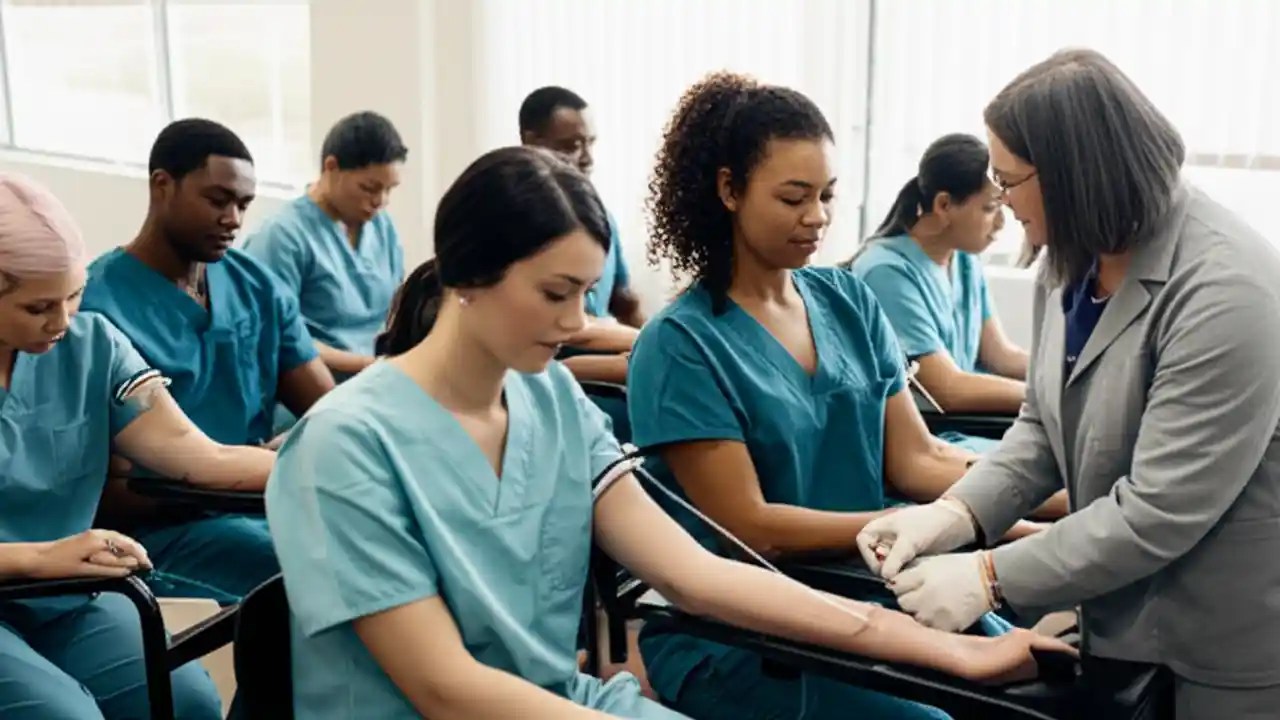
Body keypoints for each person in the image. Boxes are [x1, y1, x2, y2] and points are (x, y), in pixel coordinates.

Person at [264, 146, 1072, 720]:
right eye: (555, 292)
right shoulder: (346, 445)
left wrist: (943, 650)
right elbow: (446, 691)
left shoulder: (551, 406)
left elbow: (701, 574)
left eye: (585, 292)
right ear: (469, 276)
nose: (578, 322)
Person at [855, 49, 1280, 720]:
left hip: (1216, 642)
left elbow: (1158, 510)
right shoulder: (1074, 258)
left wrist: (989, 578)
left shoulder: (1228, 291)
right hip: (1117, 616)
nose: (998, 200)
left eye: (1008, 179)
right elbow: (1041, 428)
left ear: (1075, 174)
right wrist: (957, 514)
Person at [626, 72, 1056, 720]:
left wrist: (1051, 503)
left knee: (1041, 688)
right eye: (794, 197)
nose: (818, 217)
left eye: (826, 195)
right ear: (728, 190)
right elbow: (751, 530)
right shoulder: (681, 344)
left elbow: (917, 462)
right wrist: (917, 531)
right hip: (746, 625)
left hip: (875, 585)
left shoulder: (848, 299)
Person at [0, 173, 277, 719]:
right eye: (39, 308)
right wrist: (40, 558)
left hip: (66, 593)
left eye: (74, 295)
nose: (63, 322)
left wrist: (338, 464)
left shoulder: (93, 346)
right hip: (39, 576)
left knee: (187, 702)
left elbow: (202, 459)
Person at [82, 119, 336, 604]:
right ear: (163, 186)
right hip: (167, 533)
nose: (234, 220)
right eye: (217, 200)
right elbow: (109, 493)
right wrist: (240, 474)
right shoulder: (98, 311)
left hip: (264, 499)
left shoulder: (255, 286)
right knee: (318, 569)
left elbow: (330, 406)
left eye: (243, 205)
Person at [846, 134, 1028, 421]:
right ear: (944, 205)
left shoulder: (965, 260)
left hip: (966, 425)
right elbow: (947, 389)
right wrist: (1044, 398)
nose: (1002, 223)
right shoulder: (886, 272)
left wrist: (1065, 376)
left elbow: (1001, 355)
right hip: (931, 430)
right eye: (990, 208)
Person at [244, 110, 407, 381]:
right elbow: (273, 337)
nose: (380, 201)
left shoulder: (382, 227)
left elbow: (396, 310)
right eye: (369, 188)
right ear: (331, 167)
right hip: (308, 387)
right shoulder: (282, 237)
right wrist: (368, 364)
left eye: (389, 190)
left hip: (376, 376)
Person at [519, 86, 641, 423]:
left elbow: (624, 300)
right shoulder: (521, 222)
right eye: (572, 146)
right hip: (555, 361)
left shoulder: (598, 215)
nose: (587, 158)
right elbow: (565, 326)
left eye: (590, 144)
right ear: (530, 142)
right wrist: (650, 346)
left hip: (602, 351)